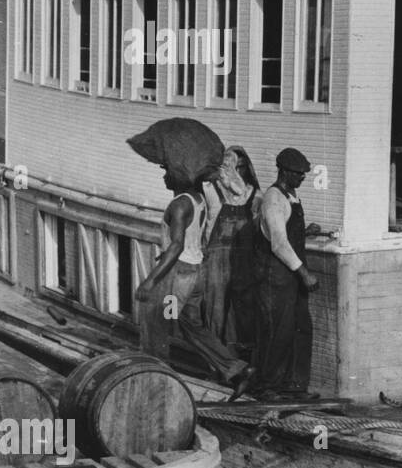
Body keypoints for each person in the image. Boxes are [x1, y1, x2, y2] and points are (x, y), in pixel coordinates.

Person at [136, 169, 253, 390]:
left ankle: (154, 379)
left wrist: (150, 281)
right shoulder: (198, 199)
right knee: (191, 326)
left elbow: (177, 245)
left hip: (178, 274)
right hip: (194, 272)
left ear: (182, 176)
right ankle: (237, 369)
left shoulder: (179, 204)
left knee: (157, 321)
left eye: (168, 172)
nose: (164, 177)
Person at [254, 147, 319, 400]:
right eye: (298, 174)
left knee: (301, 327)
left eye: (304, 174)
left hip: (291, 276)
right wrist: (304, 274)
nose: (303, 178)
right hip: (276, 275)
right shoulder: (273, 198)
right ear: (283, 171)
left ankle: (294, 386)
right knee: (276, 330)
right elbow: (278, 243)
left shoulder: (291, 195)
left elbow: (288, 232)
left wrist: (308, 232)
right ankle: (267, 387)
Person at [202, 145, 261, 357]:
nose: (240, 172)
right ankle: (217, 359)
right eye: (235, 167)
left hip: (245, 258)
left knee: (242, 308)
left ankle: (241, 360)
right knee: (215, 307)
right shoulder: (210, 189)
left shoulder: (255, 195)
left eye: (243, 167)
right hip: (216, 257)